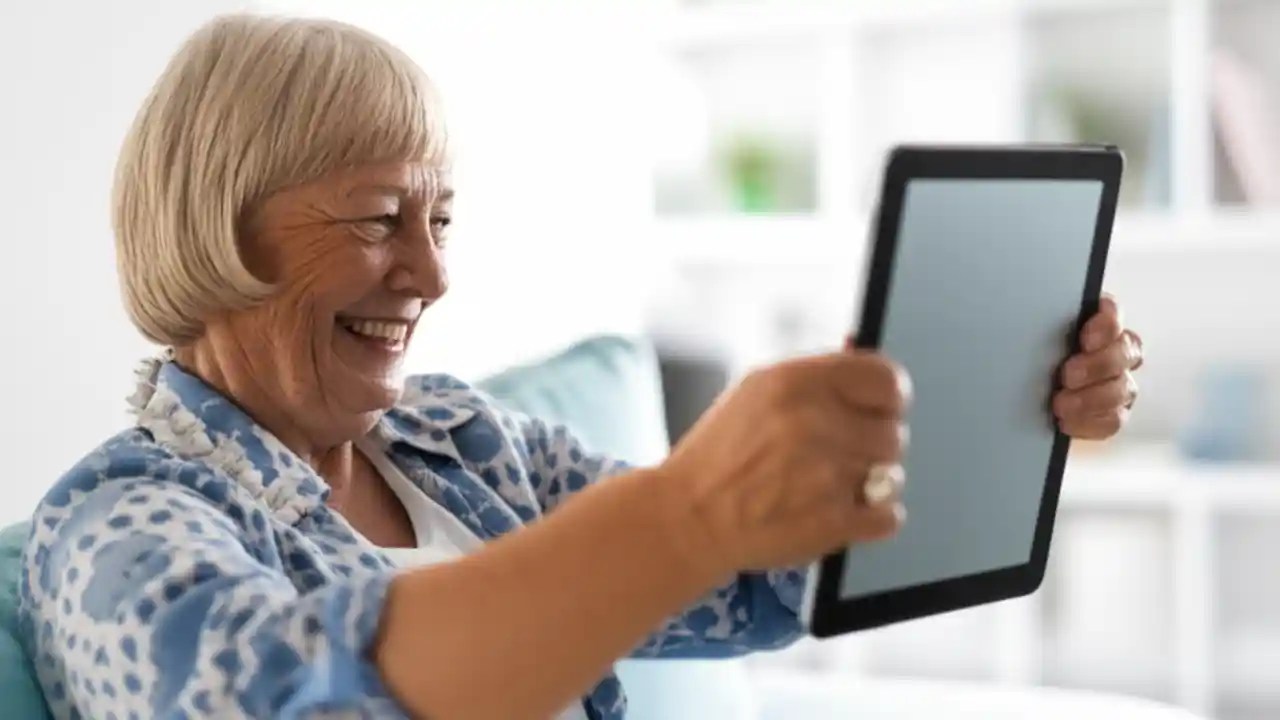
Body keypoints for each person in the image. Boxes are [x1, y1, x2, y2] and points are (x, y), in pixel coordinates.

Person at [18, 14, 1145, 720]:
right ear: (222, 230)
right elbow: (283, 699)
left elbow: (759, 580)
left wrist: (994, 405)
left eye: (440, 221)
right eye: (375, 219)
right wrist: (684, 515)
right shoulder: (118, 521)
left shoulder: (461, 440)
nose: (429, 276)